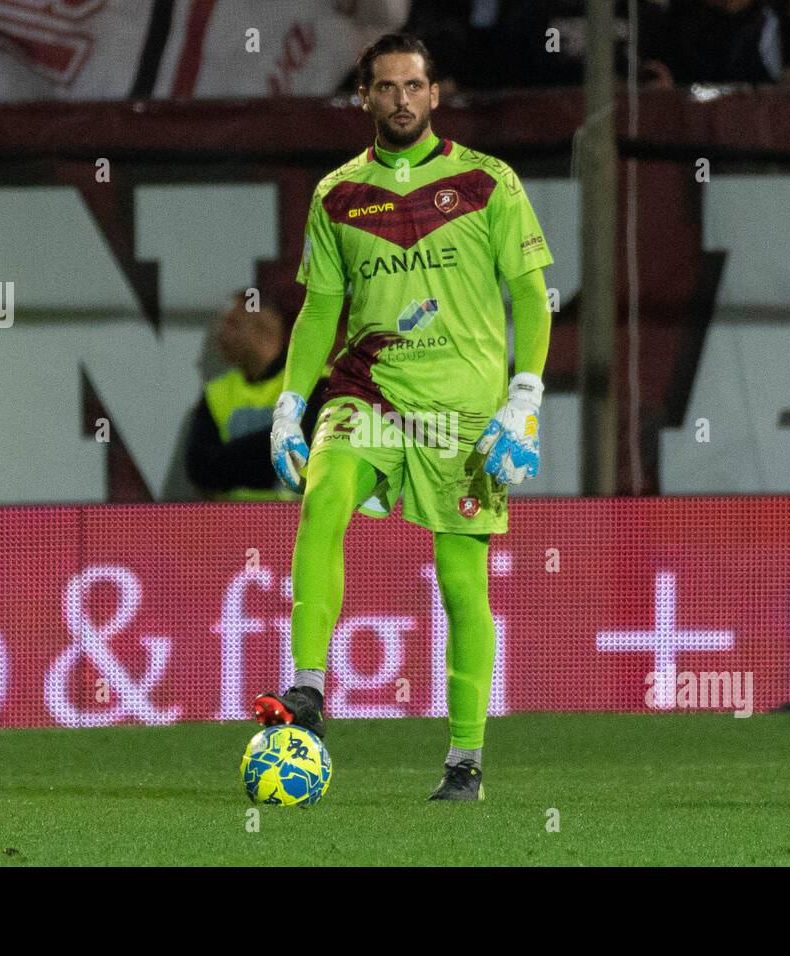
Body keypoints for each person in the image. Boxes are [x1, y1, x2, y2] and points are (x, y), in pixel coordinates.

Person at [253, 34, 553, 801]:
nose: (400, 99)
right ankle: (310, 687)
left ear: (434, 93)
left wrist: (525, 398)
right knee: (323, 497)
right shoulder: (337, 196)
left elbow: (529, 294)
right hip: (371, 395)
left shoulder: (489, 182)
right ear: (364, 97)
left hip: (464, 410)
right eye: (385, 87)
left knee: (461, 581)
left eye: (413, 85)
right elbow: (321, 310)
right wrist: (291, 404)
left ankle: (464, 761)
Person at [185, 291, 324, 500]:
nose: (220, 334)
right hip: (235, 527)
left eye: (233, 324)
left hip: (300, 523)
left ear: (262, 330)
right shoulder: (217, 392)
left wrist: (226, 461)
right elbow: (199, 468)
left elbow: (310, 448)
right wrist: (271, 453)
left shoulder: (316, 381)